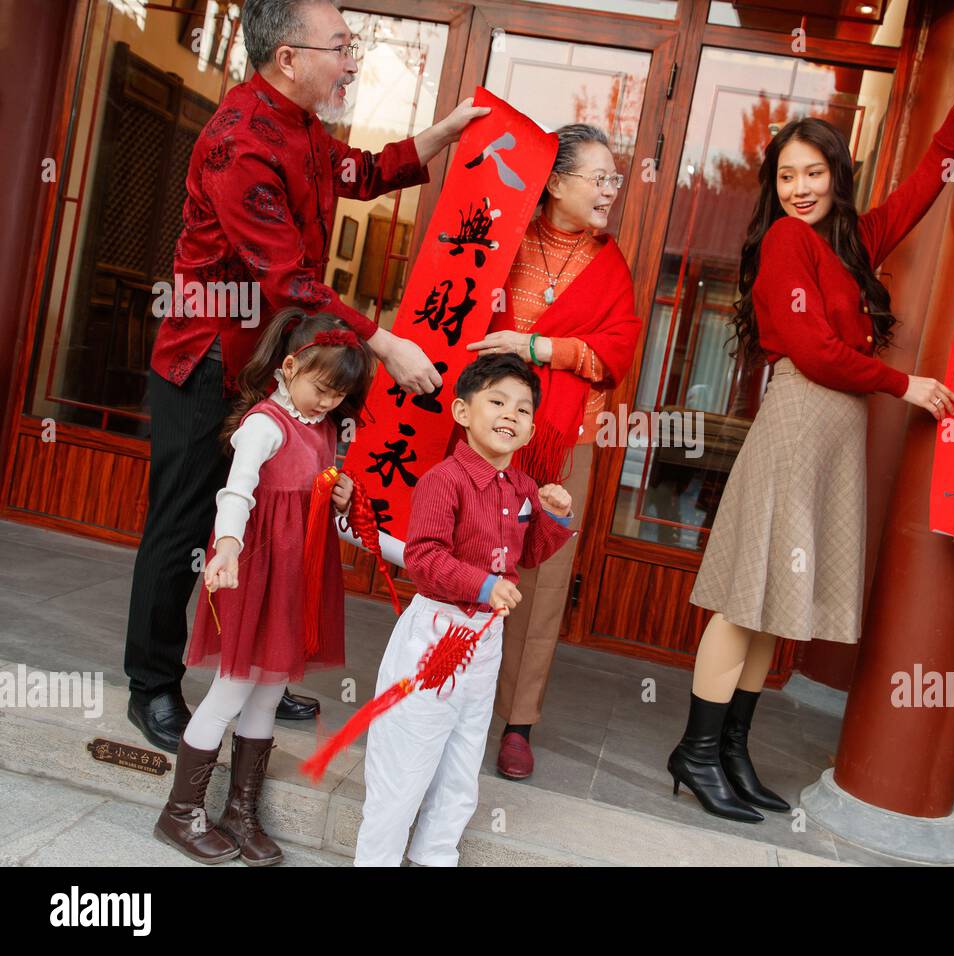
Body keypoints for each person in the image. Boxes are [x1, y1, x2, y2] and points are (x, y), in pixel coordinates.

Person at [666, 20, 954, 823]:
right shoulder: (788, 242)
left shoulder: (852, 243)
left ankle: (730, 749)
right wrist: (907, 383)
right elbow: (816, 350)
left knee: (777, 605)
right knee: (745, 600)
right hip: (800, 421)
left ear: (837, 172)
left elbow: (927, 182)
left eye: (813, 171)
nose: (799, 187)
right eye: (786, 174)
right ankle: (695, 752)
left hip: (834, 434)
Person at [125, 0, 489, 753]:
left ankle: (253, 670)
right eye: (341, 46)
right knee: (187, 526)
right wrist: (384, 345)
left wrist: (447, 133)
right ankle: (152, 685)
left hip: (274, 366)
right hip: (208, 362)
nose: (351, 60)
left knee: (268, 525)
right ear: (288, 57)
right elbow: (287, 277)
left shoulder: (303, 128)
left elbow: (366, 171)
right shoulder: (238, 142)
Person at [154, 308, 372, 865]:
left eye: (338, 394)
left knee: (271, 689)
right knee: (232, 687)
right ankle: (180, 813)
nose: (327, 403)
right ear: (290, 365)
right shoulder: (265, 423)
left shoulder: (320, 427)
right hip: (254, 571)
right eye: (321, 389)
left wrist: (339, 495)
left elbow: (312, 496)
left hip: (295, 577)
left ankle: (240, 812)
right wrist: (226, 546)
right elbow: (237, 491)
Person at [464, 124, 640, 780]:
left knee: (540, 585)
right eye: (599, 179)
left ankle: (517, 722)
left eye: (614, 180)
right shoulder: (504, 236)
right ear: (557, 182)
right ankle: (449, 690)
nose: (609, 192)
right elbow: (462, 313)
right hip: (484, 436)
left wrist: (540, 347)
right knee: (465, 560)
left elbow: (612, 356)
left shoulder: (610, 266)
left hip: (566, 444)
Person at [354, 354, 576, 866]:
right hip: (437, 632)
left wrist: (556, 517)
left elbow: (531, 553)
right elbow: (424, 558)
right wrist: (483, 585)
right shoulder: (443, 480)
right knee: (405, 763)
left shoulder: (522, 488)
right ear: (461, 411)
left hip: (485, 641)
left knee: (461, 762)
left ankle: (436, 855)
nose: (509, 415)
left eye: (522, 410)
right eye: (497, 401)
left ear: (530, 429)